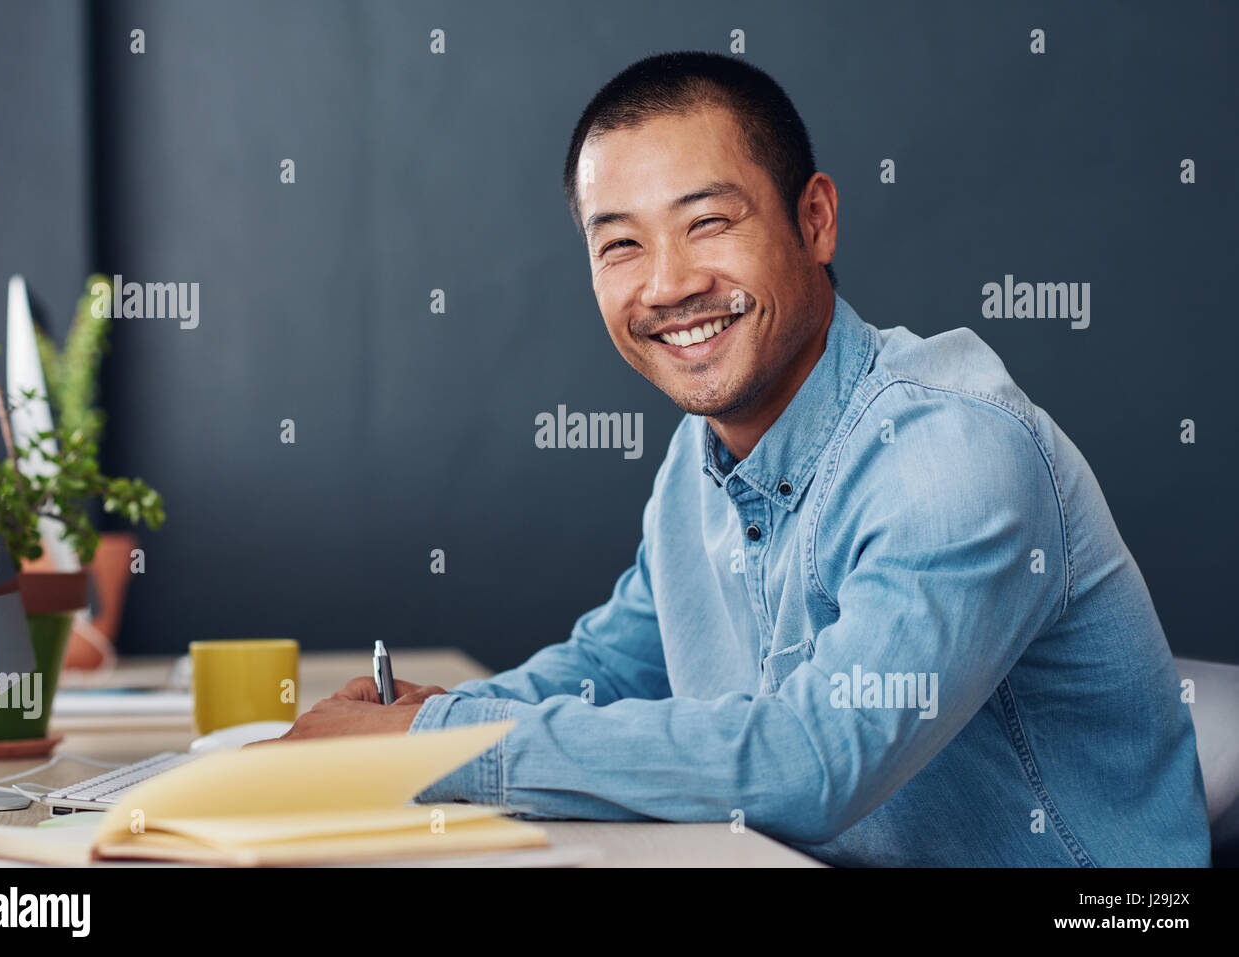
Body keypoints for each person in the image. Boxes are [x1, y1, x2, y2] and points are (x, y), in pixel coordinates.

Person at [283, 51, 1210, 867]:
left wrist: (432, 738)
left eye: (709, 223)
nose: (669, 284)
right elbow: (613, 666)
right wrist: (394, 722)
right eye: (620, 245)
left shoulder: (950, 453)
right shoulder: (698, 466)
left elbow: (816, 759)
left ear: (815, 220)